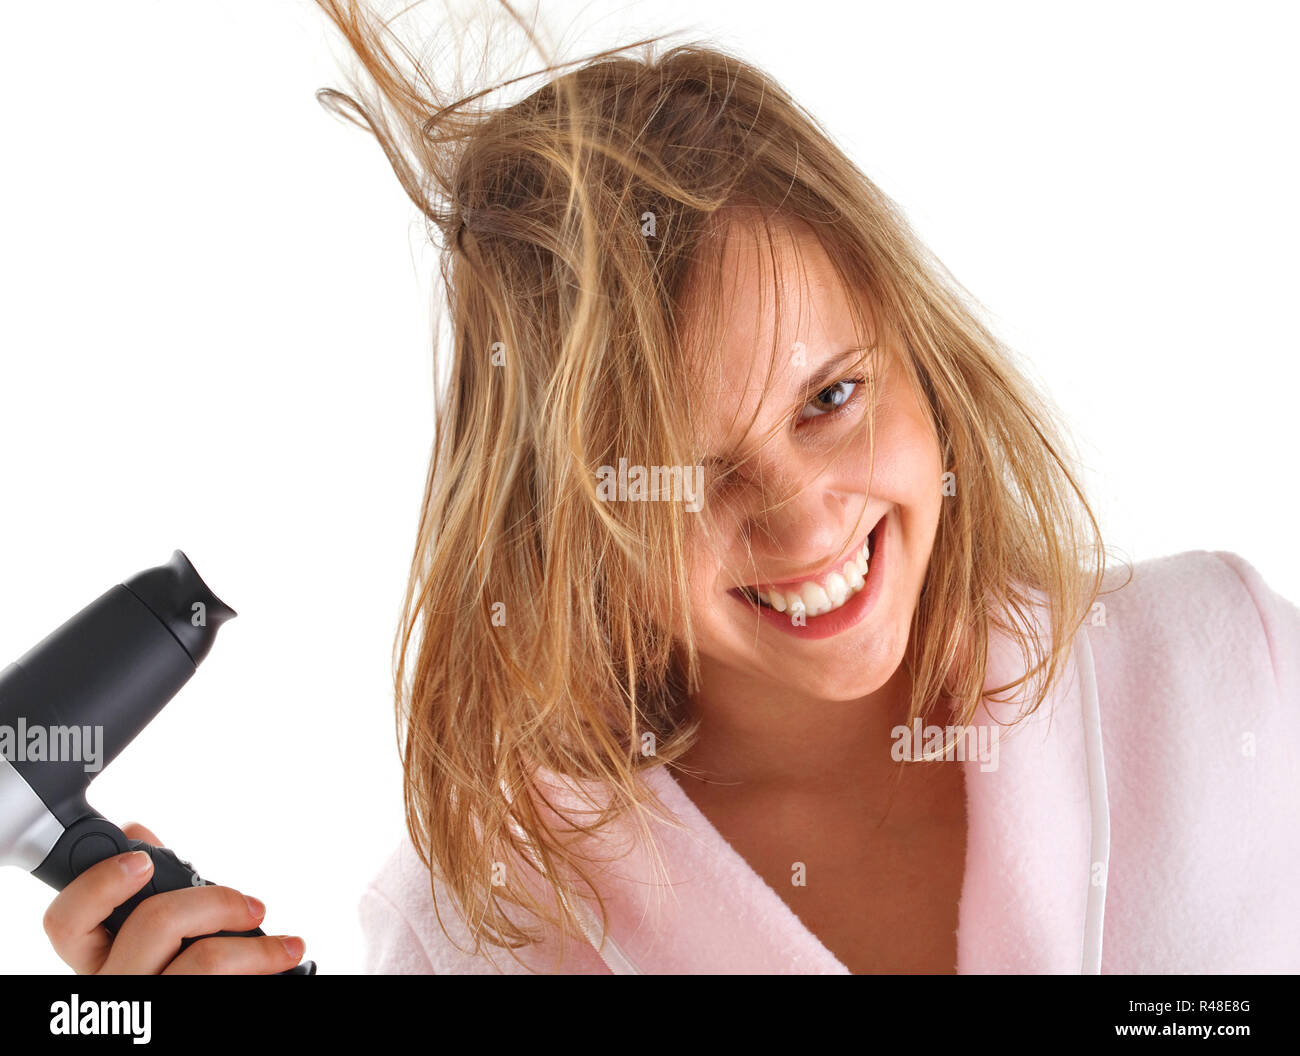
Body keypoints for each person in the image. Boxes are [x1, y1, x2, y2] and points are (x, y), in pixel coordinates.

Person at [40, 0, 1300, 975]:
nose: (803, 515)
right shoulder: (477, 931)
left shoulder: (1227, 672)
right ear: (563, 526)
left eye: (830, 397)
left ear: (922, 359)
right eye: (683, 479)